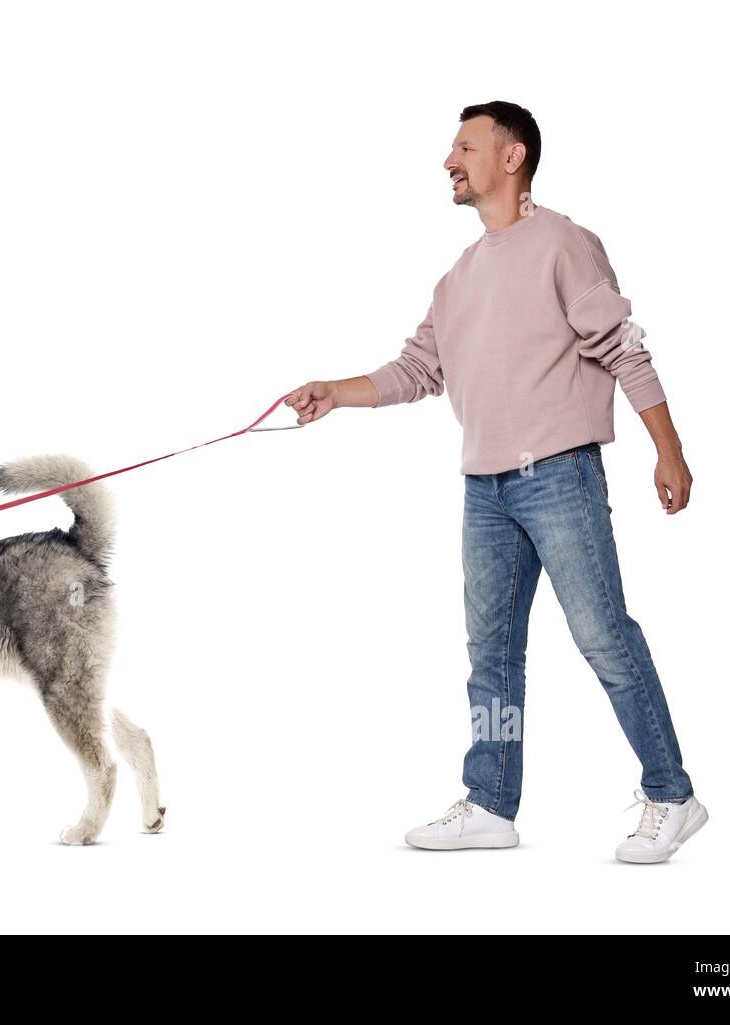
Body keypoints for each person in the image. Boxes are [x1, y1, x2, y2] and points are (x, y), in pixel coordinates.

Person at [285, 101, 707, 864]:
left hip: (560, 478)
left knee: (605, 639)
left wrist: (667, 449)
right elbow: (417, 369)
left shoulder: (565, 245)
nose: (450, 160)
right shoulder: (458, 277)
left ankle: (672, 793)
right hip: (485, 491)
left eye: (465, 146)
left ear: (511, 158)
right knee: (493, 656)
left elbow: (622, 348)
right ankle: (490, 801)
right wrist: (333, 392)